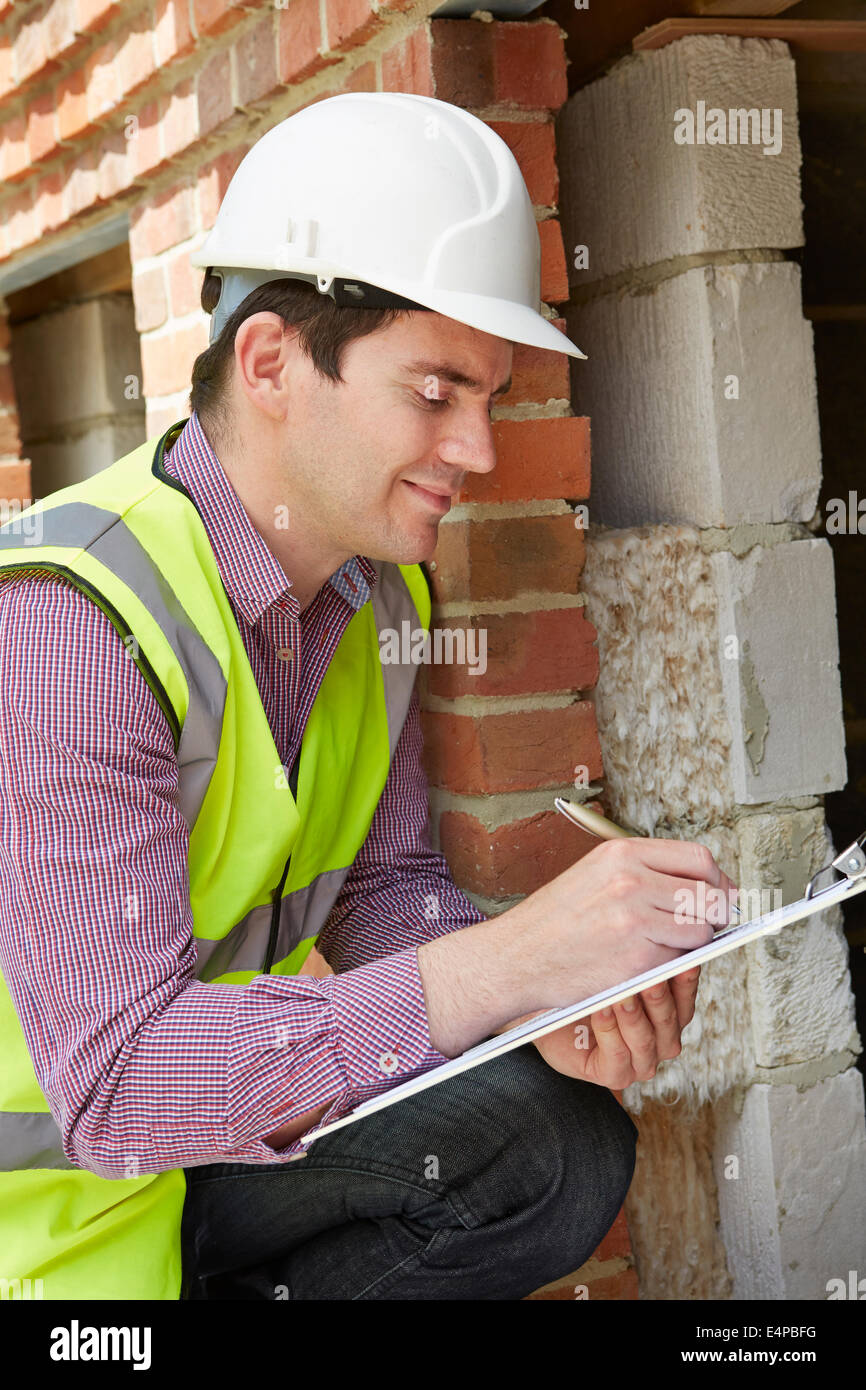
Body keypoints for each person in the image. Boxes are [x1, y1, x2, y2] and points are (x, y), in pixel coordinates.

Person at [0, 92, 735, 1300]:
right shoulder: (66, 621)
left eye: (490, 396)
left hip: (208, 1164)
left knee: (549, 1136)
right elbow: (118, 1090)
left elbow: (383, 894)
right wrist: (493, 971)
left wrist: (536, 1000)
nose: (479, 449)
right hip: (54, 1228)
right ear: (273, 362)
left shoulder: (376, 606)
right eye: (436, 390)